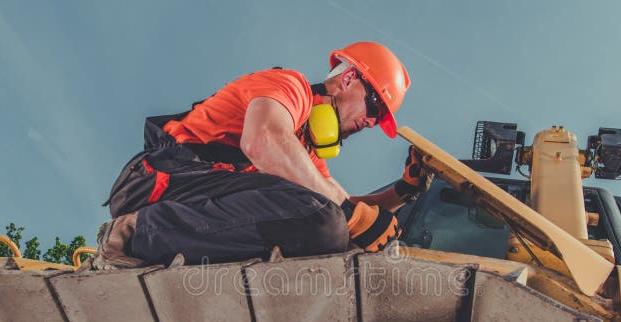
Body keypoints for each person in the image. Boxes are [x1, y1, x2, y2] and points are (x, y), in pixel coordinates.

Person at [94, 41, 430, 269]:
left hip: (195, 196)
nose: (370, 122)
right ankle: (133, 235)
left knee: (326, 223)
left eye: (378, 120)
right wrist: (351, 216)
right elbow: (262, 140)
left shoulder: (302, 150)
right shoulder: (289, 87)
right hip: (161, 181)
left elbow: (339, 202)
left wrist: (403, 190)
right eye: (374, 107)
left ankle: (157, 238)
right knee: (327, 221)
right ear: (348, 78)